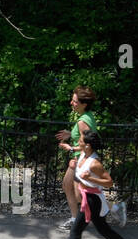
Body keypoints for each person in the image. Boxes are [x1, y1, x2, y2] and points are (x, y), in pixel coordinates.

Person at [48, 131, 138, 239]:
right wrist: (71, 153)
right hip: (88, 198)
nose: (78, 143)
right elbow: (77, 150)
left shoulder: (95, 163)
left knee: (76, 230)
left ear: (88, 145)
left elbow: (109, 182)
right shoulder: (84, 154)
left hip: (92, 200)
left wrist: (91, 178)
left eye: (81, 141)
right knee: (103, 230)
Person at [53, 87, 126, 231]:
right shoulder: (86, 116)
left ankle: (114, 208)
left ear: (83, 104)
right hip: (80, 158)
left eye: (74, 101)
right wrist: (71, 134)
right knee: (68, 186)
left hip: (81, 160)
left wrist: (72, 148)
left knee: (81, 194)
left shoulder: (82, 122)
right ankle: (75, 219)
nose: (71, 103)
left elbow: (88, 144)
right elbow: (83, 137)